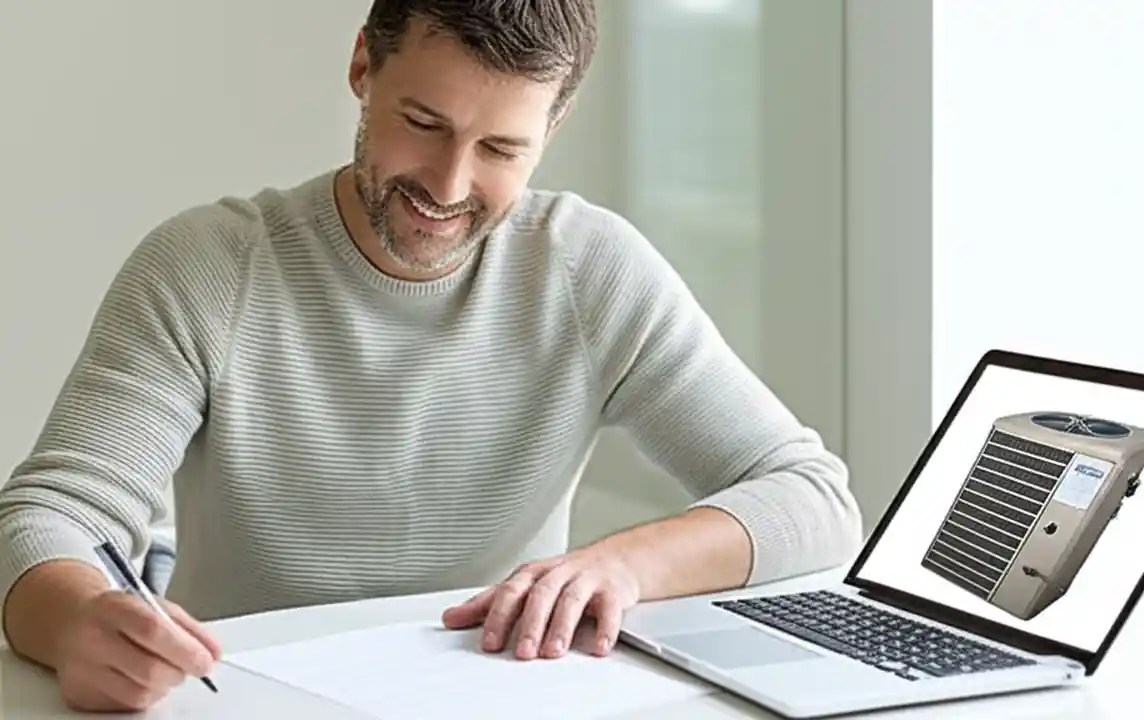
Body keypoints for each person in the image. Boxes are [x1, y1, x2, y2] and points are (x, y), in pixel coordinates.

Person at [0, 0, 862, 712]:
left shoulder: (589, 268)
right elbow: (45, 518)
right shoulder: (208, 266)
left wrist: (621, 565)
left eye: (501, 150)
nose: (448, 187)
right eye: (423, 123)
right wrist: (77, 619)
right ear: (362, 69)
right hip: (235, 698)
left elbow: (815, 499)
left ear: (553, 126)